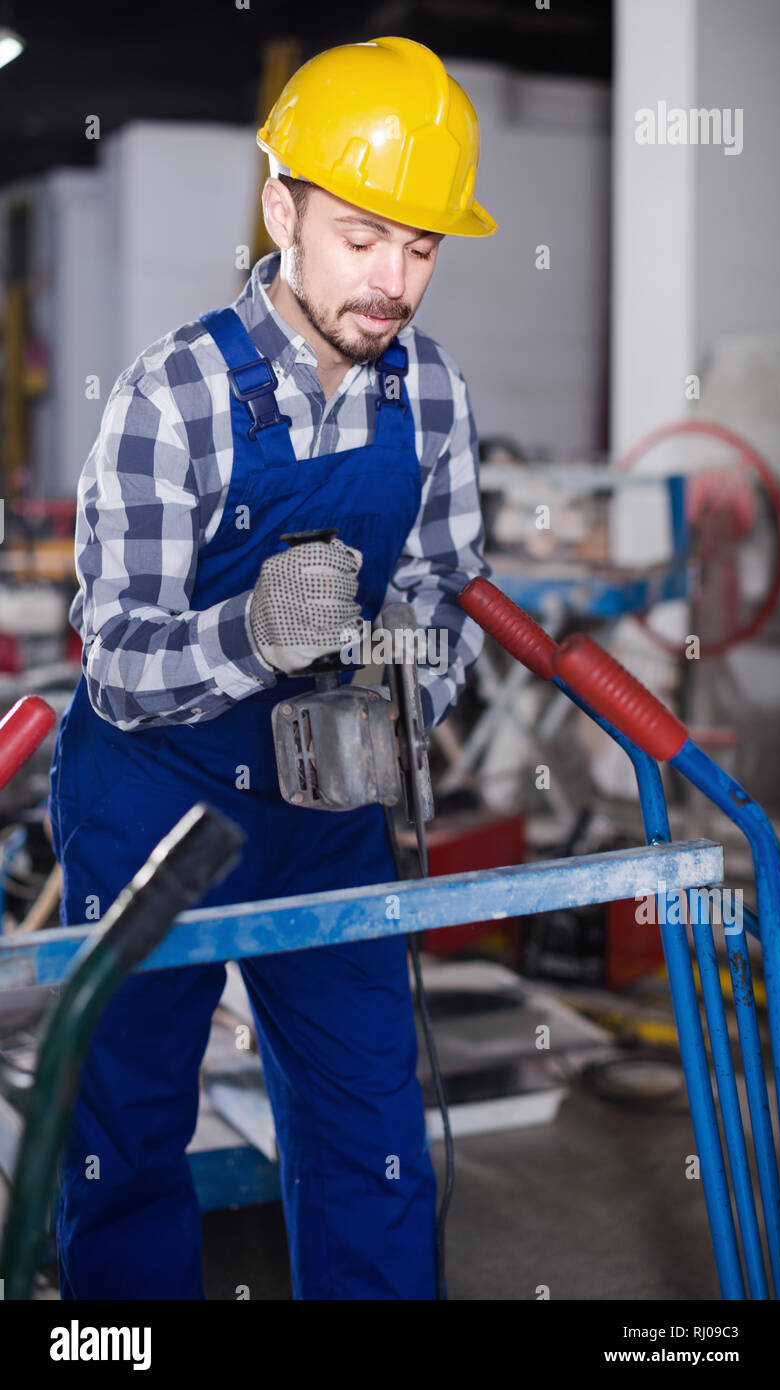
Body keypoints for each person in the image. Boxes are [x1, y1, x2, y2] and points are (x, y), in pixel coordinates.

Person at [48, 34, 496, 1301]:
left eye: (422, 247)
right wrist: (252, 638)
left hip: (323, 808)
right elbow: (122, 664)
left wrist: (404, 685)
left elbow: (445, 586)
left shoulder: (434, 397)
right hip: (153, 808)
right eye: (364, 235)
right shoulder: (168, 399)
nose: (396, 282)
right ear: (280, 207)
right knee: (126, 1136)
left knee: (372, 1131)